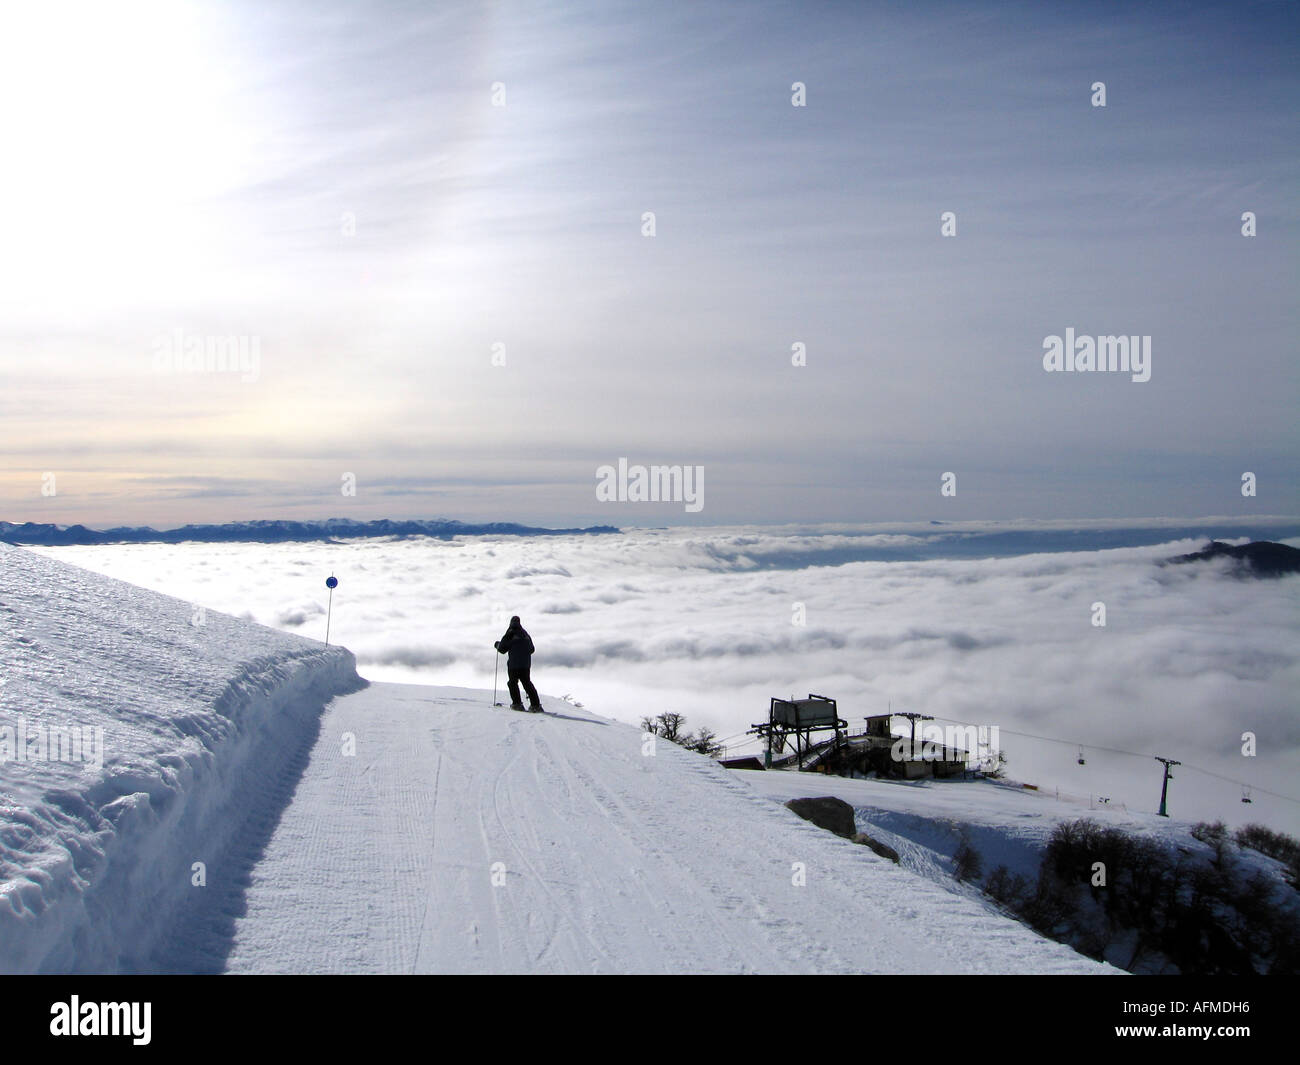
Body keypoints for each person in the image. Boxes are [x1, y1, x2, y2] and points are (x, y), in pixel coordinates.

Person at [494, 615, 541, 712]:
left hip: (514, 665)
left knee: (512, 683)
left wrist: (497, 644)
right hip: (525, 665)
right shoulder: (525, 634)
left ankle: (517, 704)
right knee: (527, 683)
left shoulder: (510, 633)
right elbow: (532, 649)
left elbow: (502, 649)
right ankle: (536, 705)